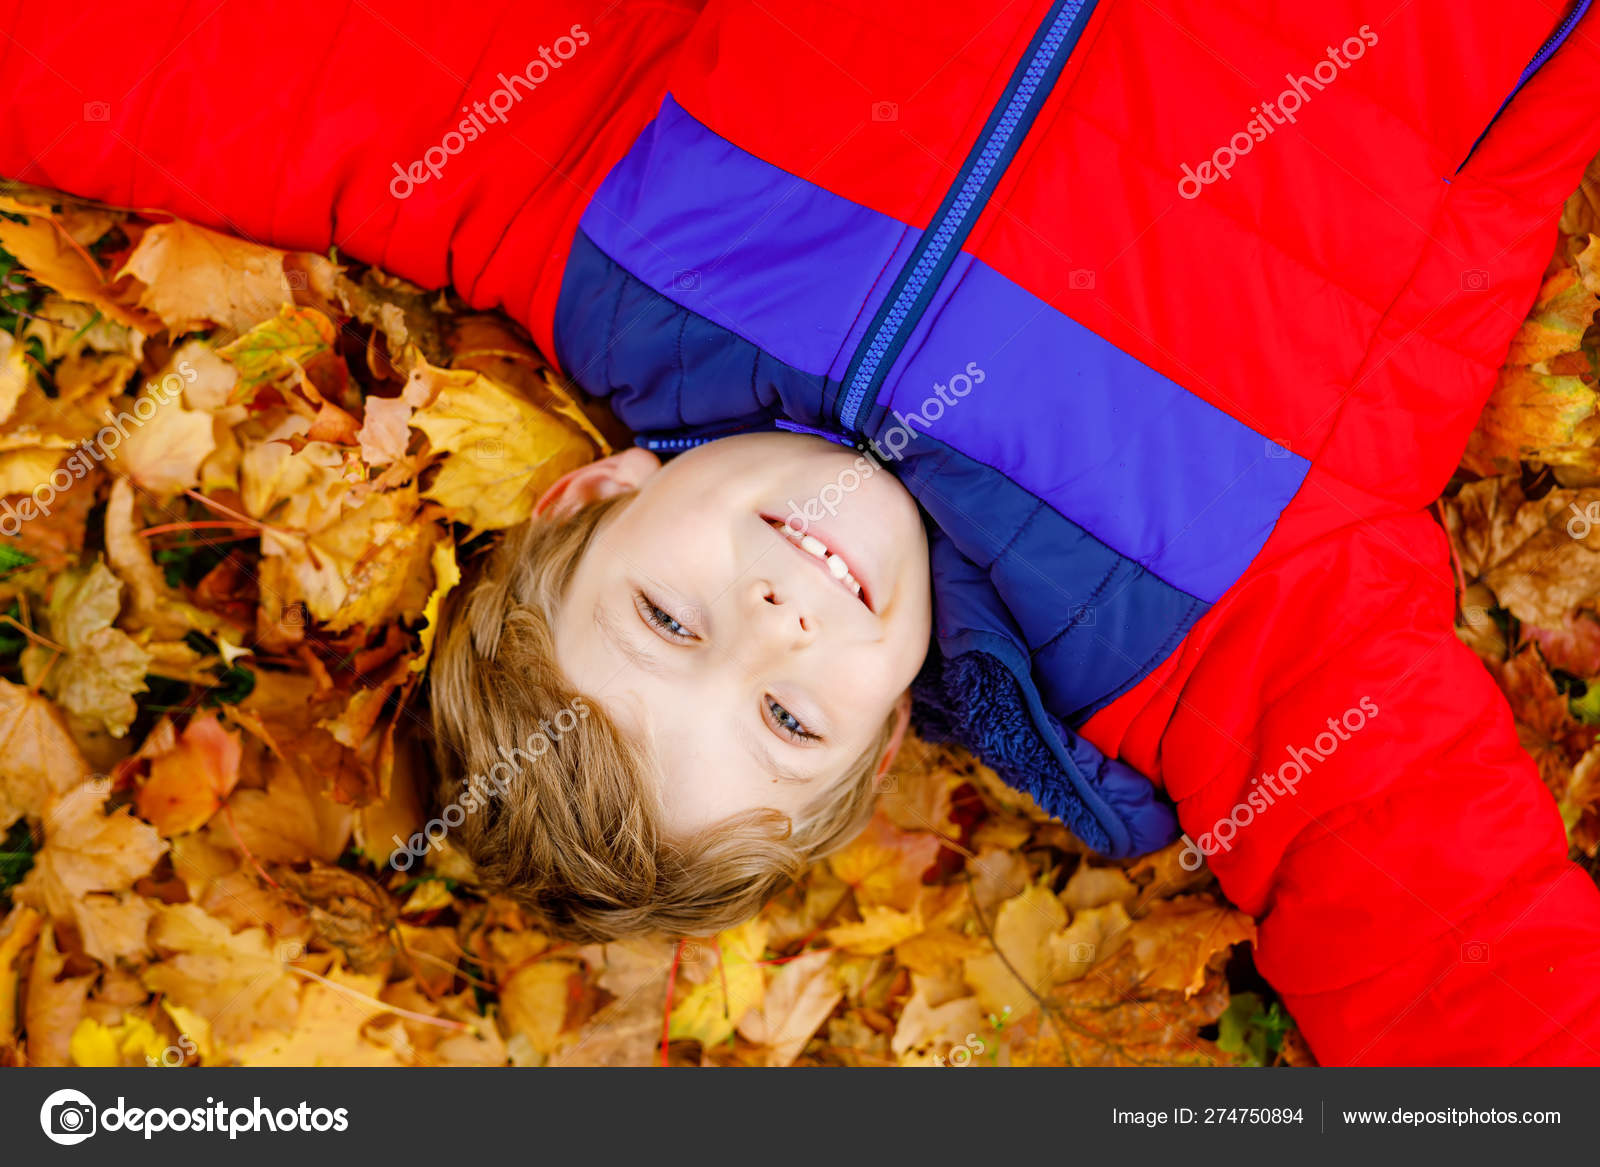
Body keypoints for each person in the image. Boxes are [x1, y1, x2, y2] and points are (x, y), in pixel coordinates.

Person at [5, 0, 1600, 1065]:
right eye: (784, 714)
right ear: (876, 744)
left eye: (671, 621)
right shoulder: (1213, 648)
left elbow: (231, 80)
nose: (778, 615)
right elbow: (1458, 971)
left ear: (596, 497)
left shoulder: (586, 215)